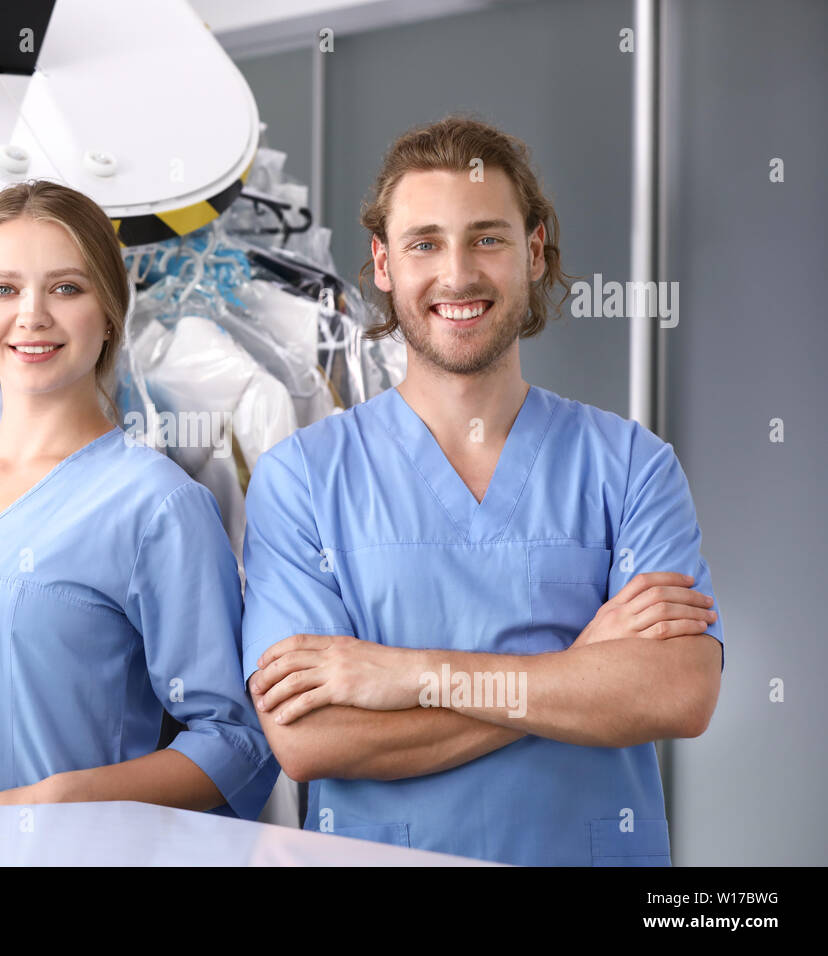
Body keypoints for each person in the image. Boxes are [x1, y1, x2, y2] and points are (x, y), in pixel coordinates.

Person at [241, 115, 723, 865]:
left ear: (533, 253)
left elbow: (677, 693)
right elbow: (311, 738)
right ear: (383, 264)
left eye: (487, 238)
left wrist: (403, 675)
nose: (458, 274)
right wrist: (577, 673)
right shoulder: (302, 478)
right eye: (425, 243)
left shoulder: (631, 465)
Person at [0, 180, 277, 818]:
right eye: (4, 289)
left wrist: (71, 798)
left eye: (66, 288)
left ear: (110, 311)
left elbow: (237, 745)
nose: (32, 315)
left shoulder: (158, 507)